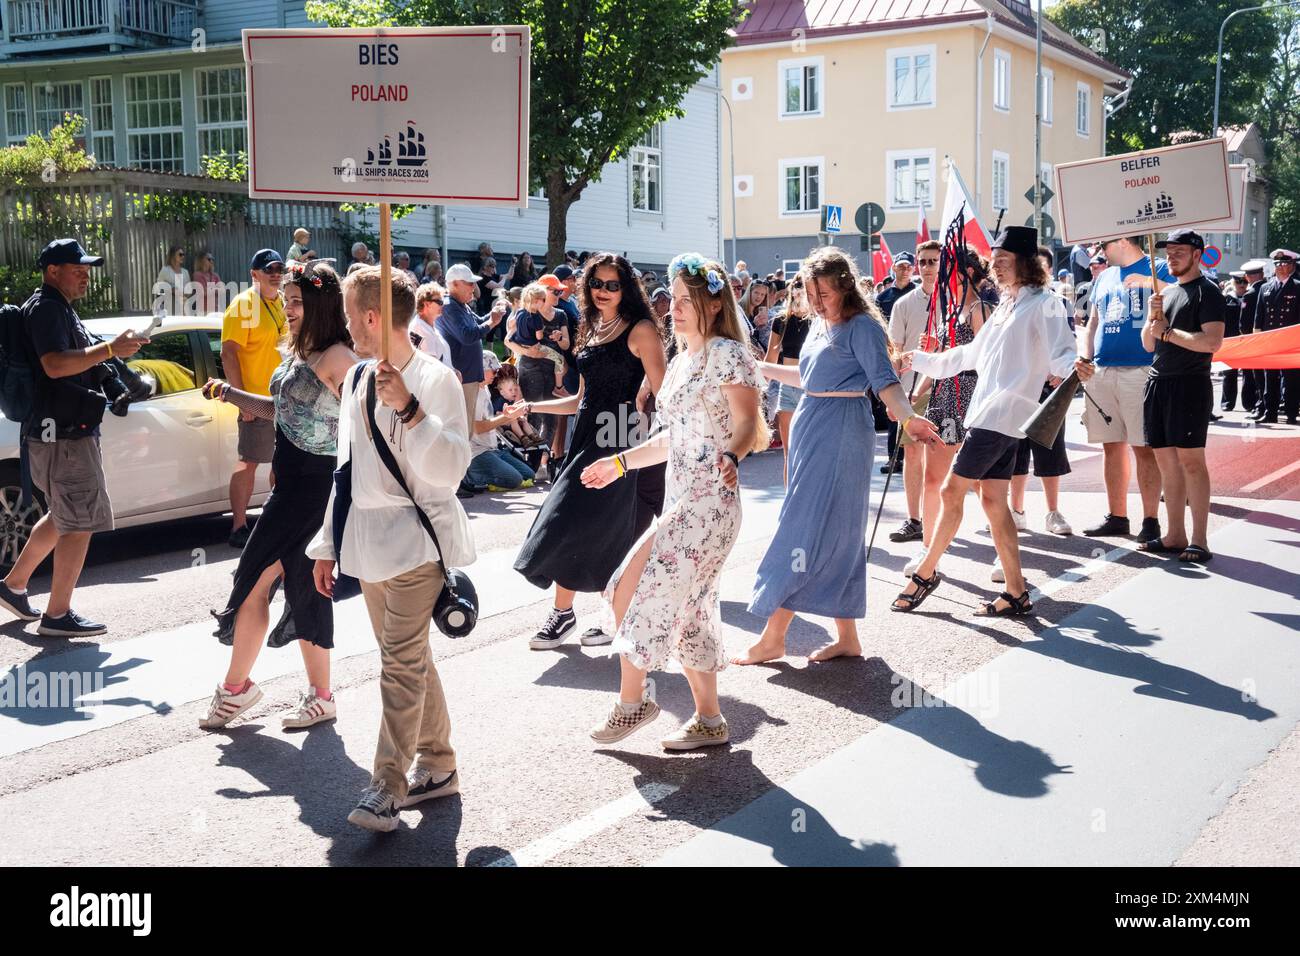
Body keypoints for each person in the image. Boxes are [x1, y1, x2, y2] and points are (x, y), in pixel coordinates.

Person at [308, 266, 475, 833]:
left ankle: (387, 784)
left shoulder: (435, 379)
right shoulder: (357, 378)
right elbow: (346, 469)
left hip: (417, 542)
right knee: (411, 659)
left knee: (398, 666)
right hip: (367, 542)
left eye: (351, 316)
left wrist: (410, 409)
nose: (347, 326)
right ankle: (440, 764)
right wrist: (327, 543)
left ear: (373, 317)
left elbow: (450, 469)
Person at [579, 254, 766, 748]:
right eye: (673, 299)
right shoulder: (681, 361)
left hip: (711, 502)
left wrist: (733, 453)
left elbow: (748, 422)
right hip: (683, 499)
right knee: (692, 611)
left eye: (685, 301)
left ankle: (632, 702)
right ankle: (709, 720)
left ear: (713, 304)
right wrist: (619, 463)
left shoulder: (727, 354)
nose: (674, 308)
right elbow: (672, 439)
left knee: (634, 587)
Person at [735, 247, 940, 665]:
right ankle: (847, 637)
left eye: (823, 294)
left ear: (845, 287)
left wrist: (908, 419)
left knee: (803, 525)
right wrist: (763, 369)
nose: (815, 302)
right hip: (812, 422)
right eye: (811, 294)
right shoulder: (819, 323)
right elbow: (809, 377)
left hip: (842, 428)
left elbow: (884, 381)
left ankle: (774, 635)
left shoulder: (862, 326)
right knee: (837, 529)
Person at [199, 260, 356, 730]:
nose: (287, 308)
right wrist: (230, 393)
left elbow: (364, 421)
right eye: (286, 300)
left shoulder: (339, 357)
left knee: (299, 587)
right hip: (288, 487)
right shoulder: (299, 352)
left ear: (321, 305)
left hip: (319, 490)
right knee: (260, 583)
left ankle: (302, 694)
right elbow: (281, 410)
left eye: (296, 302)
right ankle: (245, 689)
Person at [893, 225, 1075, 618]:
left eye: (1005, 260)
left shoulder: (1045, 302)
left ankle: (925, 573)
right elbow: (967, 355)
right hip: (990, 413)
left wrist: (1076, 367)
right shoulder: (1006, 305)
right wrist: (916, 359)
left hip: (1003, 413)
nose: (997, 267)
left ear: (1026, 262)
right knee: (993, 500)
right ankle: (1016, 591)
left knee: (950, 490)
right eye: (995, 261)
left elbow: (1063, 352)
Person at [512, 252, 668, 650]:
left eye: (612, 285)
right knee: (578, 524)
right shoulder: (592, 326)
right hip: (586, 439)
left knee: (598, 527)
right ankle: (571, 614)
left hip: (621, 439)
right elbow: (581, 399)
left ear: (626, 288)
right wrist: (533, 406)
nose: (603, 291)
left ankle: (604, 615)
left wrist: (655, 436)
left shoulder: (641, 330)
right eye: (596, 283)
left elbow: (666, 394)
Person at [0, 240, 147, 636]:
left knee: (63, 515)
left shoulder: (57, 308)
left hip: (58, 434)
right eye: (77, 268)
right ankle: (57, 615)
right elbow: (54, 365)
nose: (85, 275)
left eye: (86, 269)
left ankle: (13, 586)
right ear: (52, 271)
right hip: (63, 436)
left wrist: (114, 356)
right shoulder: (48, 308)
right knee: (79, 522)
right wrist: (110, 348)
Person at [1075, 236, 1172, 544]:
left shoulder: (1158, 268)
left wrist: (1150, 284)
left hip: (1141, 368)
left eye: (1103, 246)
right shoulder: (1104, 277)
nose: (1099, 252)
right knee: (1111, 446)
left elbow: (1182, 297)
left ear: (1121, 240)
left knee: (1144, 447)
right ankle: (1117, 516)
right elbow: (1093, 322)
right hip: (1103, 369)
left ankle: (1150, 520)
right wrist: (1085, 356)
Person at [1136, 230, 1225, 562]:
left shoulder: (1208, 292)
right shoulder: (1165, 293)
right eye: (1169, 252)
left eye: (1179, 252)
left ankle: (1199, 540)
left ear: (1197, 255)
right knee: (1166, 464)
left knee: (1191, 462)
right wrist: (1152, 317)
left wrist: (1168, 333)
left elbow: (1212, 342)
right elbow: (1148, 343)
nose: (1171, 257)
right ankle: (1175, 534)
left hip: (1189, 385)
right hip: (1158, 383)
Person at [903, 253, 991, 576]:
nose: (941, 276)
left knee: (982, 483)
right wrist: (917, 392)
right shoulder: (948, 311)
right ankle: (928, 550)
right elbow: (939, 362)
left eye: (948, 270)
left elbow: (986, 360)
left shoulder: (981, 309)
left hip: (971, 397)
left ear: (966, 272)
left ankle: (1002, 550)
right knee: (932, 478)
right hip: (942, 399)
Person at [221, 249, 287, 548]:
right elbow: (228, 353)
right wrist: (240, 400)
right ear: (254, 274)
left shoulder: (283, 302)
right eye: (268, 269)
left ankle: (277, 521)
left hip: (284, 399)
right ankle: (238, 526)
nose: (275, 274)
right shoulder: (243, 305)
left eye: (279, 269)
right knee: (248, 462)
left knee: (282, 462)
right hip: (255, 399)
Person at [886, 241, 941, 545]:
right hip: (910, 390)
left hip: (946, 387)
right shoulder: (904, 304)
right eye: (923, 261)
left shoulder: (954, 301)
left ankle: (940, 518)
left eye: (933, 261)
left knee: (944, 456)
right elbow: (894, 351)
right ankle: (914, 519)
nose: (927, 267)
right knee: (912, 453)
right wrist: (892, 395)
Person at [437, 263, 508, 443]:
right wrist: (492, 321)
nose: (473, 287)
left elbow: (478, 324)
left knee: (465, 431)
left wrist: (494, 314)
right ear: (454, 284)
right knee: (461, 433)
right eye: (469, 283)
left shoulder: (460, 305)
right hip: (461, 378)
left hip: (468, 376)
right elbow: (467, 335)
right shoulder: (449, 306)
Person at [465, 350, 536, 491]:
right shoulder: (473, 392)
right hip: (477, 452)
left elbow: (489, 421)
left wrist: (508, 416)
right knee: (515, 480)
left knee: (529, 475)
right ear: (481, 369)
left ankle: (486, 474)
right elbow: (477, 428)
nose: (496, 373)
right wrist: (507, 416)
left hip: (493, 449)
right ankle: (469, 475)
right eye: (493, 370)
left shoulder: (485, 388)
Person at [766, 277, 812, 483]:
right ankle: (790, 500)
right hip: (787, 387)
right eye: (797, 288)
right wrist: (760, 387)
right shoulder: (781, 321)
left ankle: (809, 498)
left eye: (804, 289)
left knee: (810, 451)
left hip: (811, 387)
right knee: (789, 454)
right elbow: (771, 357)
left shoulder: (818, 321)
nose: (799, 293)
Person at [1253, 248, 1300, 424]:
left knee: (1291, 378)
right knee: (1270, 378)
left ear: (1292, 266)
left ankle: (1291, 413)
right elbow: (1259, 316)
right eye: (1277, 264)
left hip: (1290, 341)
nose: (1280, 267)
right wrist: (1257, 339)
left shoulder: (1297, 287)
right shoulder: (1265, 288)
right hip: (1270, 341)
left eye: (1284, 263)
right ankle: (1270, 412)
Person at [509, 279, 571, 397]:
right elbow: (508, 341)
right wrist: (527, 351)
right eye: (556, 292)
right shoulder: (532, 314)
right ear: (543, 291)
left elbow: (566, 345)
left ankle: (558, 388)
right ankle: (559, 388)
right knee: (534, 404)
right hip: (531, 367)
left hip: (551, 370)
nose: (560, 295)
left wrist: (559, 338)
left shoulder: (560, 314)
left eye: (560, 292)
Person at [409, 281, 457, 375]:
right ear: (426, 304)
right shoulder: (420, 328)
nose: (442, 305)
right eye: (439, 302)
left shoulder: (427, 325)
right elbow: (431, 366)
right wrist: (452, 374)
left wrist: (454, 371)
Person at [1239, 259, 1267, 416]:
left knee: (1255, 375)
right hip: (1268, 338)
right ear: (1262, 274)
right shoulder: (1269, 289)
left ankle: (1258, 405)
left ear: (1247, 277)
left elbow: (1243, 324)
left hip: (1253, 340)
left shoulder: (1249, 295)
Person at [1220, 271, 1248, 412]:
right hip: (1231, 340)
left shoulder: (1251, 296)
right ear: (1233, 283)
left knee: (1249, 374)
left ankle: (1249, 403)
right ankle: (1227, 403)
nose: (1242, 285)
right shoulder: (1226, 299)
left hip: (1247, 341)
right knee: (1229, 373)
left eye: (1244, 282)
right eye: (1238, 282)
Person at [155, 245, 189, 316]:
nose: (182, 256)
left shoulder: (185, 272)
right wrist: (171, 289)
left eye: (183, 255)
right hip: (168, 306)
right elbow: (159, 287)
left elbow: (188, 290)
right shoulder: (165, 270)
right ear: (173, 255)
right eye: (180, 254)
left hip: (182, 306)